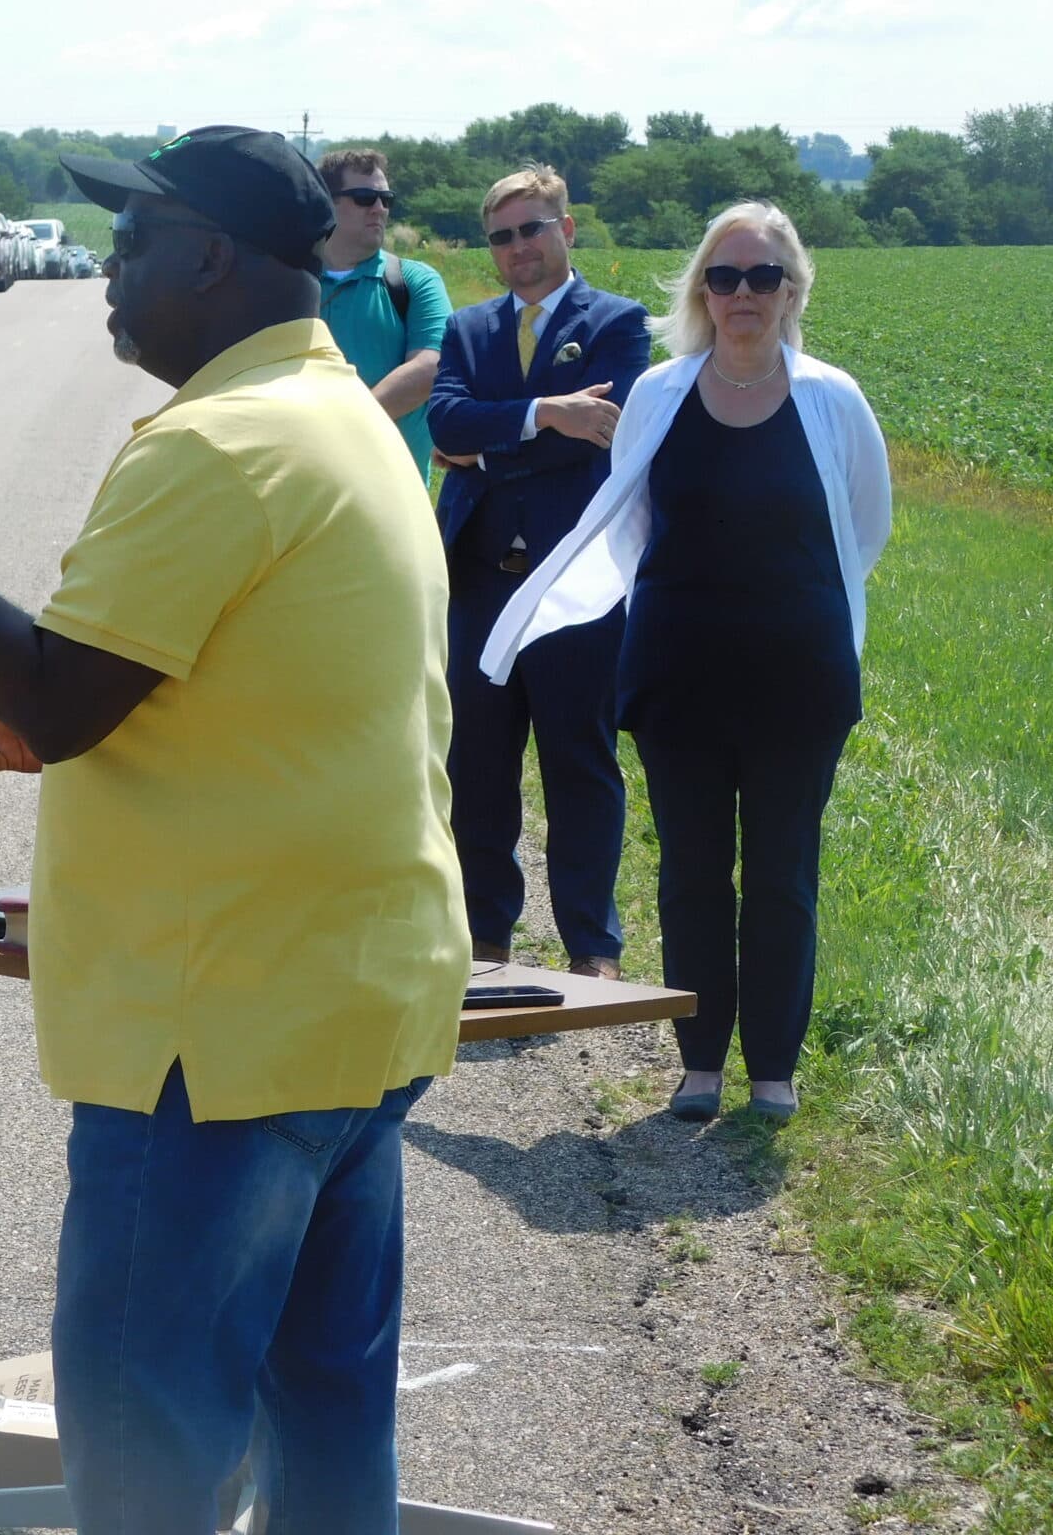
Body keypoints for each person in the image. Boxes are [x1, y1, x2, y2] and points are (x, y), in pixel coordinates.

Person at [0, 127, 470, 1535]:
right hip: (349, 1008)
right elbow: (235, 694)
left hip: (216, 1036)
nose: (110, 268)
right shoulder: (342, 423)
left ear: (211, 254)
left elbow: (61, 696)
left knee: (150, 1464)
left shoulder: (220, 445)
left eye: (134, 239)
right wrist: (50, 713)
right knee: (327, 1425)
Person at [481, 201, 891, 1122]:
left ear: (792, 291)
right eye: (724, 276)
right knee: (693, 871)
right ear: (702, 289)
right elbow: (630, 516)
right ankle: (700, 1061)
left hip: (799, 676)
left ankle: (774, 1071)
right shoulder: (661, 393)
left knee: (783, 873)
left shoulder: (833, 398)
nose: (742, 294)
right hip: (677, 675)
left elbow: (863, 530)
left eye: (762, 277)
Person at [425, 164, 651, 981]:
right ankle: (485, 940)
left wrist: (483, 450)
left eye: (532, 228)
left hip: (575, 581)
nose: (518, 248)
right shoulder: (470, 327)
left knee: (577, 761)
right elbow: (442, 414)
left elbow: (606, 430)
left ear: (567, 230)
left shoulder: (620, 324)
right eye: (502, 235)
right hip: (482, 577)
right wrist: (546, 413)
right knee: (477, 764)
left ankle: (592, 948)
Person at [314, 149, 451, 482]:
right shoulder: (289, 282)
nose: (379, 209)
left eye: (385, 199)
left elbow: (430, 367)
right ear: (325, 202)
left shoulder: (414, 281)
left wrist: (344, 429)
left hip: (393, 492)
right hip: (301, 489)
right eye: (364, 198)